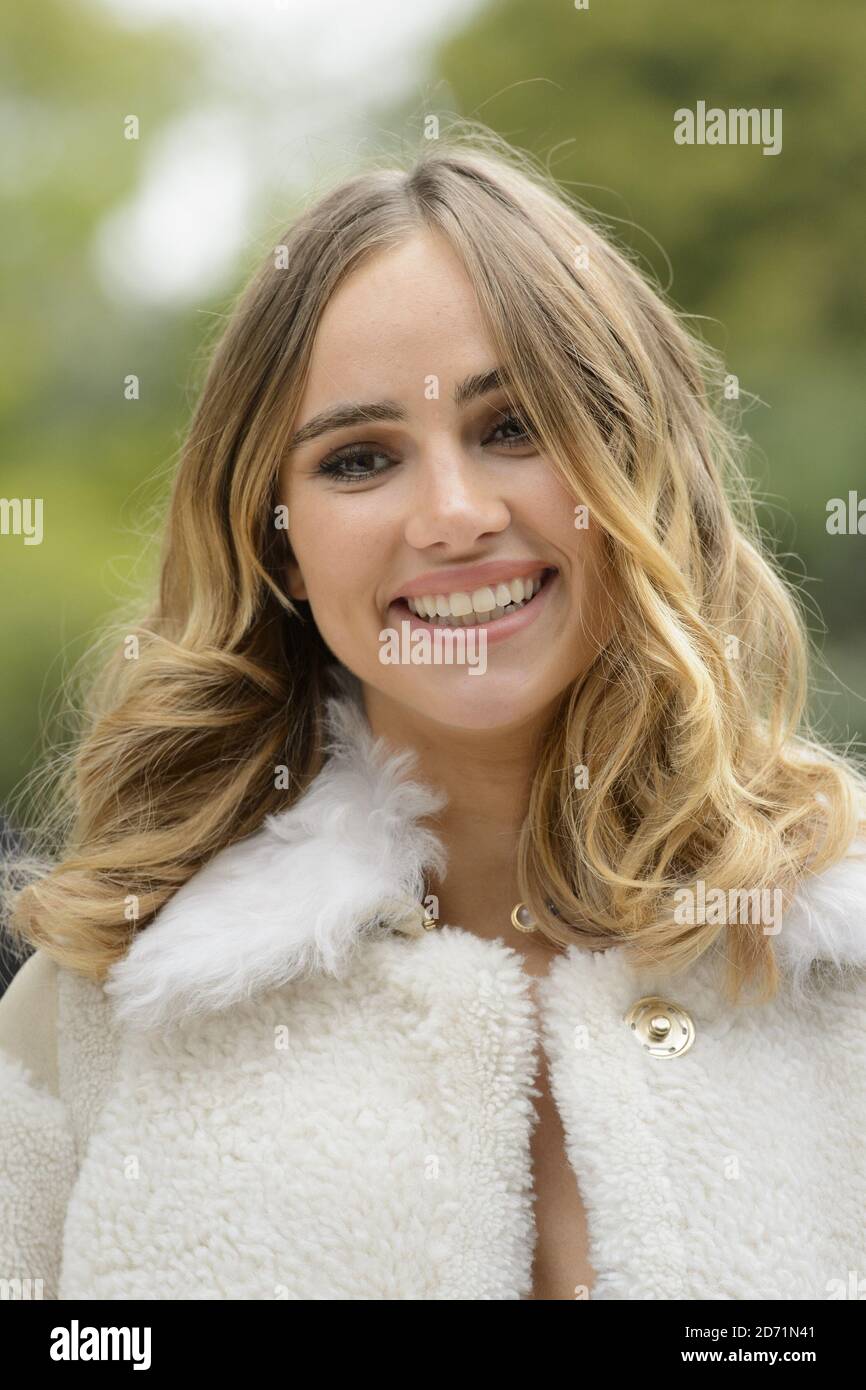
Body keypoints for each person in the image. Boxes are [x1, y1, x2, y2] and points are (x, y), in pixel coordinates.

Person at [2, 131, 865, 1302]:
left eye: (511, 427)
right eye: (360, 459)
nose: (453, 516)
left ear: (638, 463)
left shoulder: (835, 957)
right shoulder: (104, 1006)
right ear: (281, 544)